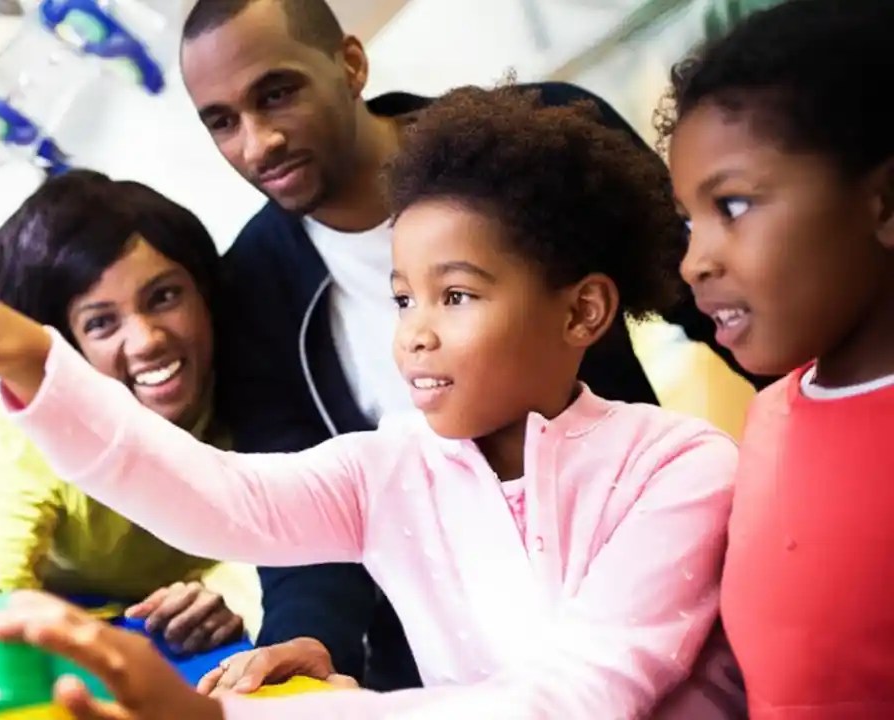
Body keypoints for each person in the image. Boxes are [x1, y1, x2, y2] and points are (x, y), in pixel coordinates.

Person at [0, 85, 738, 719]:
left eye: (457, 296)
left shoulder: (678, 469)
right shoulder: (389, 464)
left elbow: (572, 699)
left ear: (582, 309)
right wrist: (36, 364)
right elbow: (217, 498)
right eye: (403, 299)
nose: (415, 335)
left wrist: (227, 719)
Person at [177, 0, 770, 691]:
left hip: (632, 595)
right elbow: (300, 512)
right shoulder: (253, 287)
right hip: (442, 667)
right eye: (221, 122)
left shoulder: (546, 149)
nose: (257, 143)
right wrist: (309, 644)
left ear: (350, 64)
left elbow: (727, 308)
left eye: (276, 95)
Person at [665, 0, 894, 716]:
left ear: (884, 202)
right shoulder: (767, 416)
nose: (694, 262)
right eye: (687, 221)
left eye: (731, 205)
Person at [0, 169, 260, 653]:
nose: (147, 340)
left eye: (164, 297)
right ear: (66, 348)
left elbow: (314, 509)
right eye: (100, 323)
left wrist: (234, 588)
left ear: (205, 293)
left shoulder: (259, 372)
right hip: (77, 620)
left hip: (214, 634)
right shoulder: (35, 416)